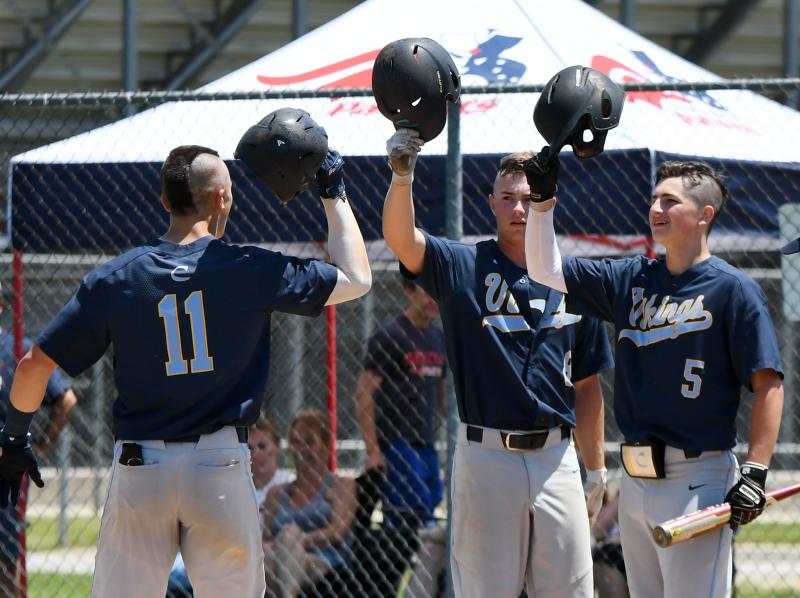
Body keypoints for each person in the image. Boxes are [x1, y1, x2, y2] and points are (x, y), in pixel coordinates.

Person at [0, 143, 371, 598]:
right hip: (218, 466)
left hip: (141, 468)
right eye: (230, 192)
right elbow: (357, 279)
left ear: (164, 202)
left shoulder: (118, 277)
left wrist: (15, 437)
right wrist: (334, 194)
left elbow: (34, 366)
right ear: (220, 199)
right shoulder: (250, 268)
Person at [524, 154, 784, 598]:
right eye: (654, 200)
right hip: (636, 480)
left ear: (705, 216)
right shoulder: (631, 277)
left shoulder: (735, 289)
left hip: (699, 476)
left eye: (670, 201)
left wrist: (756, 472)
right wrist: (543, 203)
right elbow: (543, 269)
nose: (656, 210)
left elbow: (768, 383)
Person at [382, 129, 614, 598]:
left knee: (571, 591)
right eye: (507, 198)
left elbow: (588, 388)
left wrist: (596, 470)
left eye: (528, 198)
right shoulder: (462, 264)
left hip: (556, 455)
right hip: (486, 455)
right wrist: (402, 176)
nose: (519, 209)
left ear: (547, 200)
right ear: (490, 202)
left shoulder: (574, 278)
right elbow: (402, 241)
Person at [355, 276, 447, 597]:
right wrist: (373, 450)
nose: (431, 300)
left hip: (426, 443)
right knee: (409, 524)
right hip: (396, 443)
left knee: (431, 516)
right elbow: (363, 394)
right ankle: (399, 588)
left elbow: (442, 395)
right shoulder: (390, 337)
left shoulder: (437, 339)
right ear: (409, 292)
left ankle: (423, 588)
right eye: (425, 292)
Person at [0, 282, 79, 598]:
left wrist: (43, 443)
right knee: (5, 564)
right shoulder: (18, 348)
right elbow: (67, 399)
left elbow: (66, 399)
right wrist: (42, 443)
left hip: (7, 471)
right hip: (8, 467)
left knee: (5, 563)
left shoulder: (17, 349)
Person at [167, 415, 294, 597]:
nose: (256, 454)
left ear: (277, 447)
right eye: (250, 448)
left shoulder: (287, 485)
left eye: (262, 446)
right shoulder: (232, 487)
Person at [262, 409, 356, 598]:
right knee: (266, 558)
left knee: (288, 536)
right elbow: (264, 537)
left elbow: (337, 532)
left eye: (310, 442)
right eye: (297, 442)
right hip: (278, 560)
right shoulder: (277, 493)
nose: (303, 449)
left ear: (327, 445)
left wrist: (294, 541)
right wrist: (283, 547)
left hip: (323, 561)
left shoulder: (341, 485)